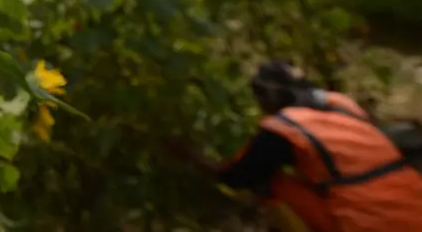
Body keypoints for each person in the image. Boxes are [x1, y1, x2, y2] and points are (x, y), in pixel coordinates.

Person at [174, 60, 422, 231]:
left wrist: (190, 156)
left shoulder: (285, 127)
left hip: (368, 222)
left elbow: (237, 176)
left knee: (269, 182)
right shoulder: (343, 107)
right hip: (414, 205)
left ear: (267, 97)